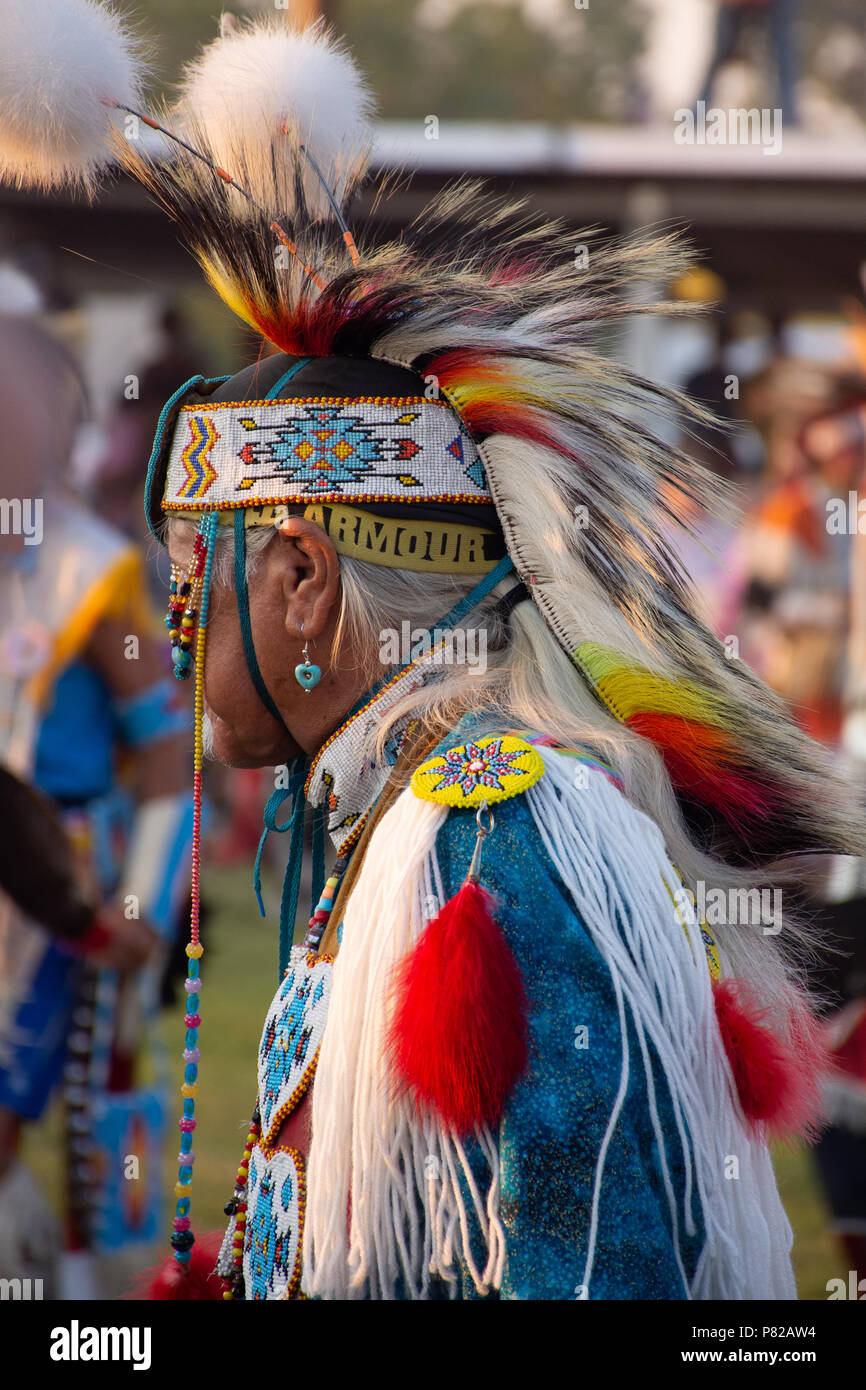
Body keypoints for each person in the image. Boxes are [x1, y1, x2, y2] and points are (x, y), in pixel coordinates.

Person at [1, 5, 860, 1301]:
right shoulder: (400, 816)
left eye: (194, 586)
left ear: (299, 582)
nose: (172, 639)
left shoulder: (488, 828)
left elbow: (591, 1269)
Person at [0, 314, 192, 1296]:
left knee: (82, 1130)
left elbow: (165, 753)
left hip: (68, 882)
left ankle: (89, 1310)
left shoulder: (93, 574)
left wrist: (139, 901)